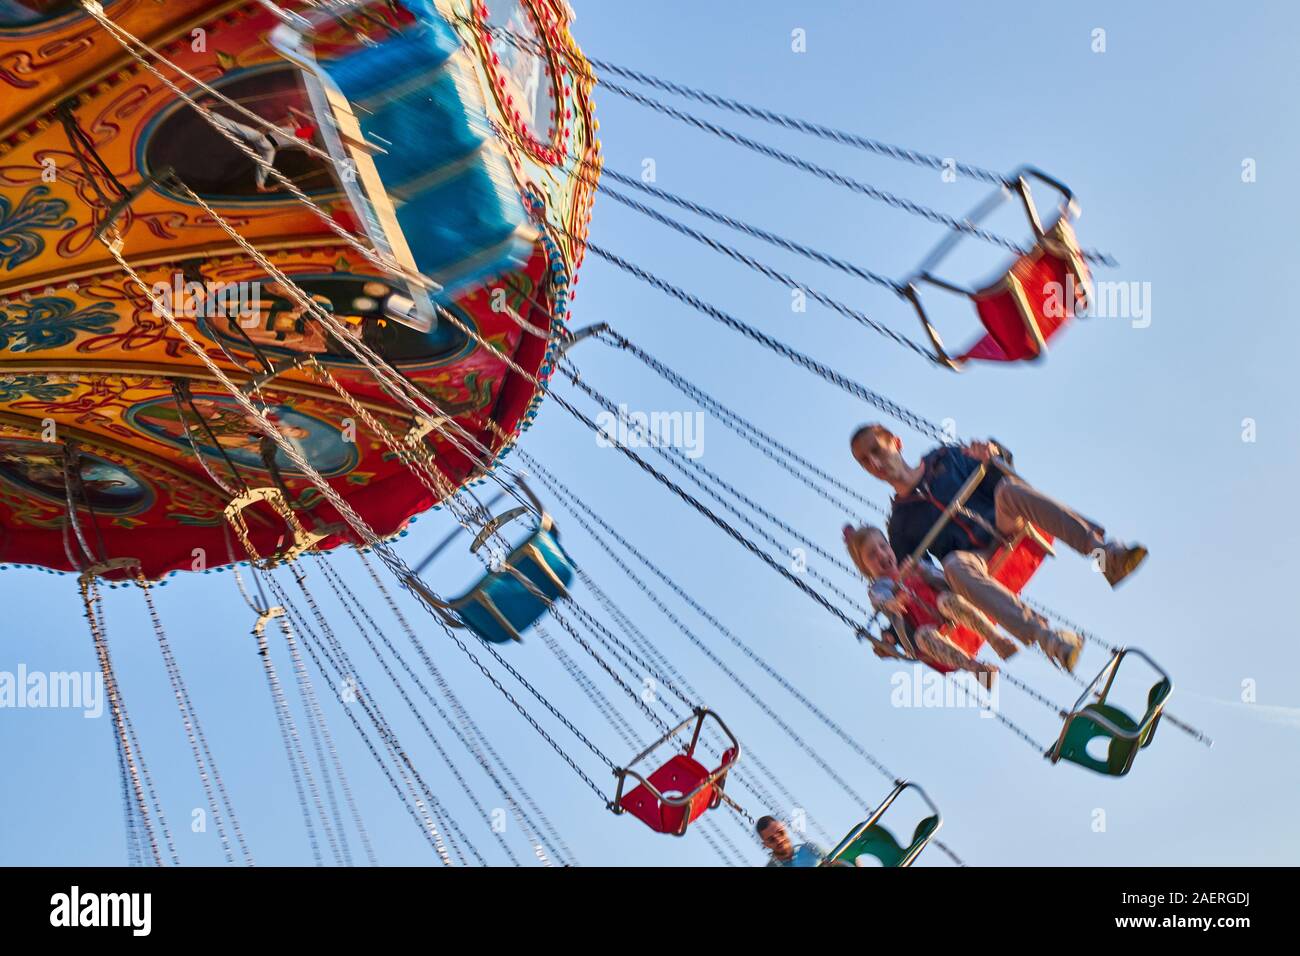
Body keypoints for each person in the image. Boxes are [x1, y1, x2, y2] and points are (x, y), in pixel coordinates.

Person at [849, 424, 1148, 673]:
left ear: (896, 442)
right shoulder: (900, 526)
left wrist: (992, 455)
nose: (874, 463)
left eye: (877, 450)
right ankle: (1048, 638)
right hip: (976, 561)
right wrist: (893, 636)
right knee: (953, 565)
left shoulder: (945, 459)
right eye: (864, 461)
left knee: (1007, 490)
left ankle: (1105, 555)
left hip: (1005, 525)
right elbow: (913, 595)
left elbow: (1003, 474)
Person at [844, 523, 1017, 677]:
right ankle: (975, 667)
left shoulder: (912, 565)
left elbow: (943, 580)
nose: (881, 554)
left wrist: (922, 571)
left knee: (947, 600)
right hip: (932, 633)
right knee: (922, 636)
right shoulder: (880, 587)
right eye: (872, 555)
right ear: (864, 568)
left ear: (890, 547)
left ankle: (996, 639)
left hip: (951, 613)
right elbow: (879, 599)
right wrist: (892, 603)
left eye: (882, 546)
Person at [757, 816, 842, 867]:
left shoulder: (811, 849)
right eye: (772, 839)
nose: (779, 840)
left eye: (780, 832)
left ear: (785, 829)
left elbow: (840, 862)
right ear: (765, 845)